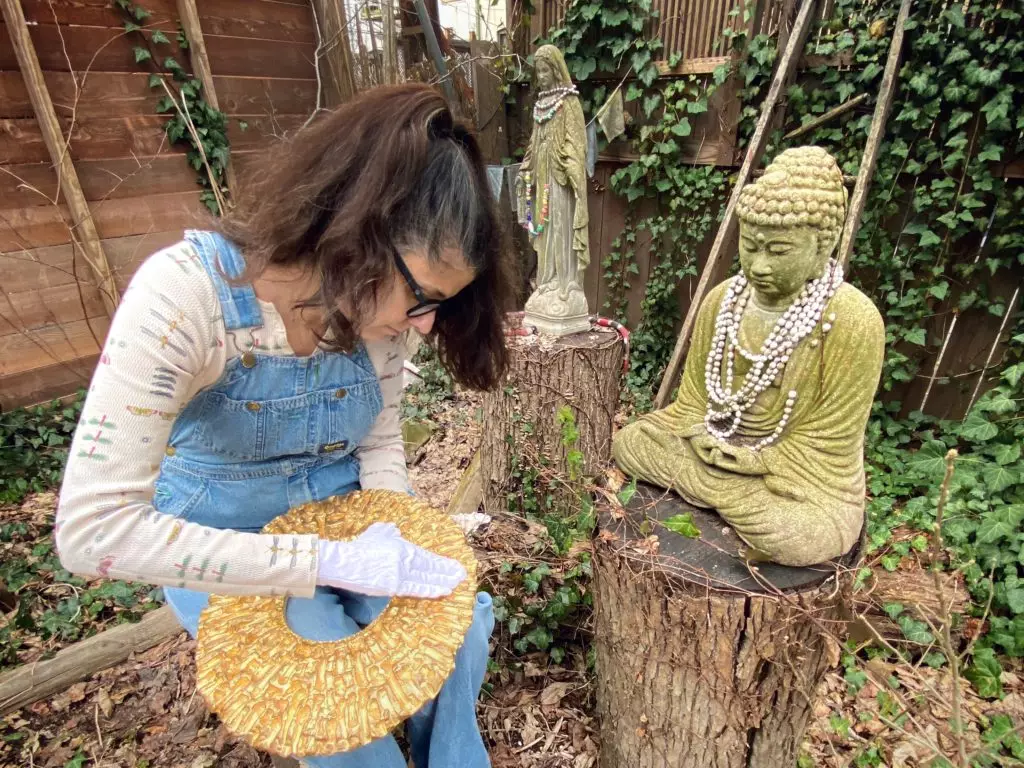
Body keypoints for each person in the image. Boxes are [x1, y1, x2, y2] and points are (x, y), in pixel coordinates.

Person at [56, 83, 515, 767]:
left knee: (455, 634)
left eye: (439, 307)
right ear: (360, 230)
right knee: (333, 699)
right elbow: (91, 534)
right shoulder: (183, 300)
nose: (424, 326)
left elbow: (381, 436)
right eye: (423, 298)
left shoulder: (379, 314)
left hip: (344, 522)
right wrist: (323, 565)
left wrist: (388, 524)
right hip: (225, 547)